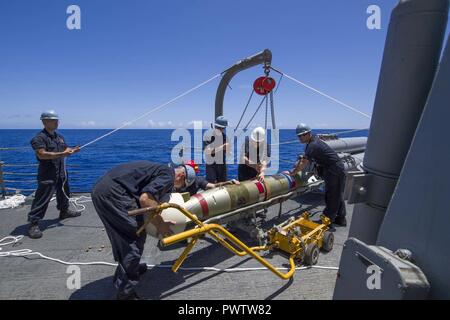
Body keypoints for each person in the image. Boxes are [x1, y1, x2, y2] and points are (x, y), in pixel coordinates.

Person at [91, 161, 196, 300]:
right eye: (182, 185)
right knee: (134, 236)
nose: (178, 188)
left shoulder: (159, 168)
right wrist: (161, 224)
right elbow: (146, 199)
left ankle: (130, 269)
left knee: (120, 235)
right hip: (114, 194)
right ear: (181, 176)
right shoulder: (168, 176)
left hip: (100, 190)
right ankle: (126, 293)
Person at [27, 110, 81, 239]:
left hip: (61, 171)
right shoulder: (39, 138)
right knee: (42, 197)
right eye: (53, 120)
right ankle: (33, 223)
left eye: (57, 120)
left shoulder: (59, 137)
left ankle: (64, 211)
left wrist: (72, 150)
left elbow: (65, 149)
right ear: (44, 121)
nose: (56, 122)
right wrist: (63, 154)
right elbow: (41, 154)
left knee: (64, 192)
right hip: (47, 173)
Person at [289, 123, 347, 229]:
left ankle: (327, 220)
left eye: (302, 135)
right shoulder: (314, 140)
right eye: (298, 136)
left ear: (308, 134)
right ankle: (340, 218)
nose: (300, 138)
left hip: (334, 170)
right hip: (333, 169)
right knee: (336, 194)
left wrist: (293, 172)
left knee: (332, 195)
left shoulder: (312, 145)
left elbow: (303, 162)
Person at [204, 116, 229, 183]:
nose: (221, 129)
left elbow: (226, 151)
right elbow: (208, 151)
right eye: (219, 127)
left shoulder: (224, 136)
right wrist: (222, 147)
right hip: (211, 166)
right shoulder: (208, 136)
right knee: (212, 185)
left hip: (222, 166)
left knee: (223, 184)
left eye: (222, 128)